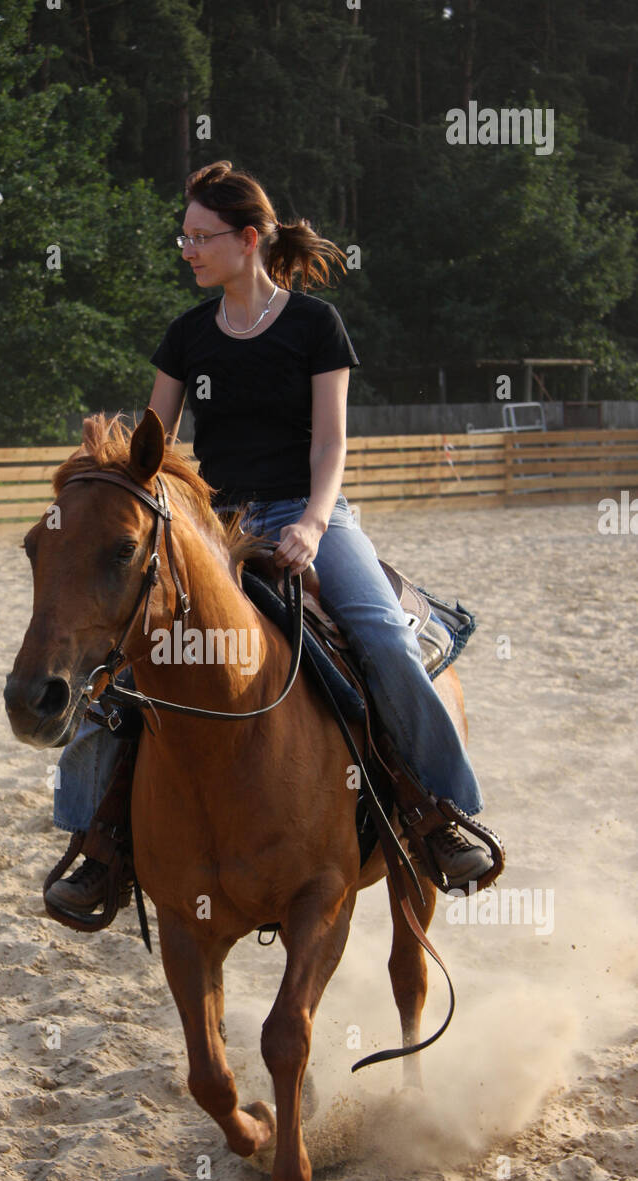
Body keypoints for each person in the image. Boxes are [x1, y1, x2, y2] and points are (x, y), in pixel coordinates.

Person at [47, 159, 494, 917]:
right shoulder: (187, 336)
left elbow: (330, 444)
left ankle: (438, 811)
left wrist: (315, 525)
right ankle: (99, 843)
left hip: (308, 510)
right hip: (214, 525)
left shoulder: (315, 327)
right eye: (182, 236)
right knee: (116, 660)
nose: (186, 249)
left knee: (381, 637)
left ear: (247, 239)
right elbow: (150, 450)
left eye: (199, 236)